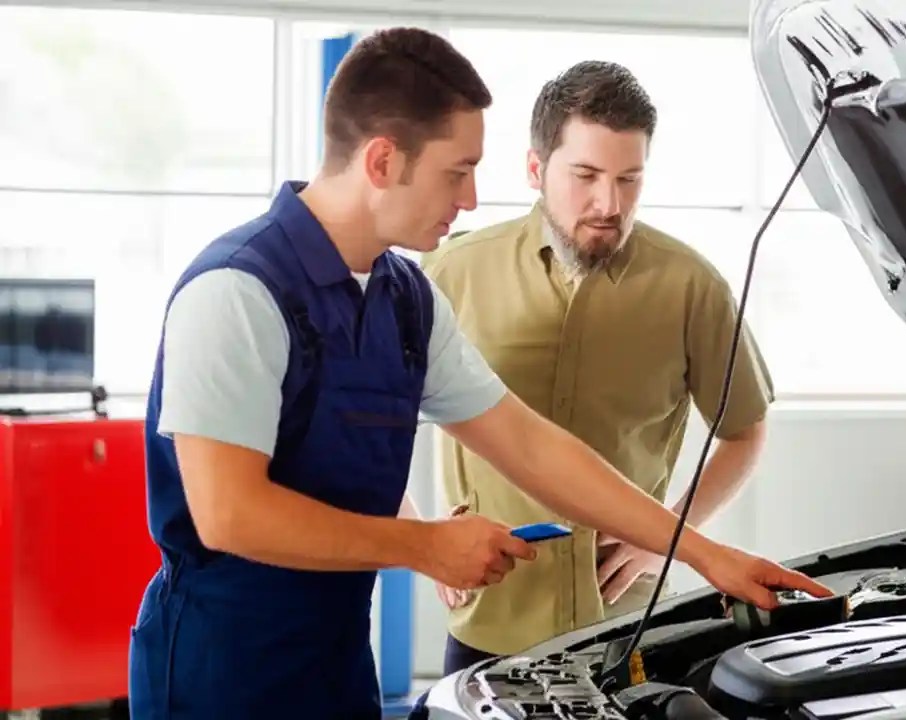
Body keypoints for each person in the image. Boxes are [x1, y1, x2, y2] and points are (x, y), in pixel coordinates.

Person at [126, 27, 828, 720]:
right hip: (219, 669)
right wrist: (426, 545)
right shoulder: (236, 292)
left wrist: (703, 553)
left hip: (335, 657)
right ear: (381, 161)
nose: (469, 199)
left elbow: (528, 445)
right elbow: (229, 514)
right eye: (455, 171)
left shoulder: (405, 299)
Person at [423, 60, 776, 674]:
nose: (608, 203)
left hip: (631, 624)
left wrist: (659, 537)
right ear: (536, 169)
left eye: (629, 179)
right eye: (585, 175)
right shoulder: (452, 272)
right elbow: (369, 418)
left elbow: (746, 432)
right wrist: (419, 536)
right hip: (491, 616)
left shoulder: (692, 287)